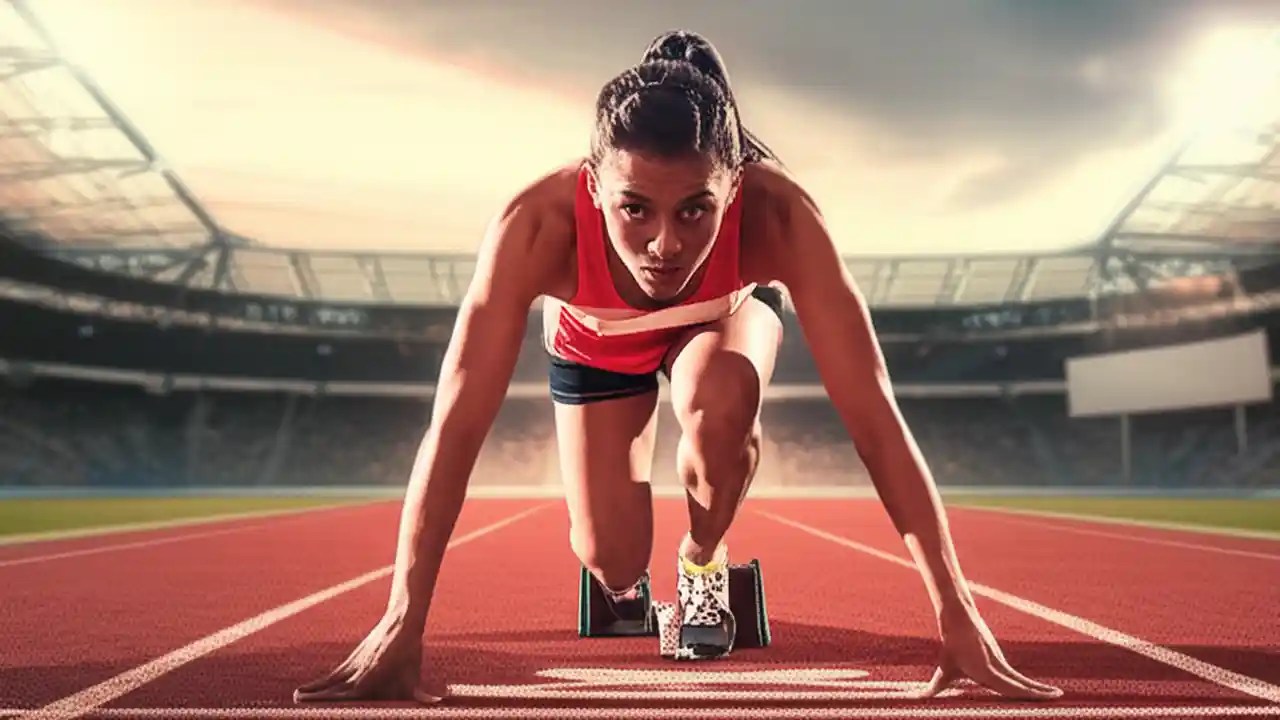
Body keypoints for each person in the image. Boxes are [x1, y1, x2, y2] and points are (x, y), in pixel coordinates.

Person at [295, 29, 1063, 704]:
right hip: (599, 340)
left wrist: (956, 613)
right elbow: (457, 427)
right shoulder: (534, 228)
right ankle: (624, 586)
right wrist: (403, 617)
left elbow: (875, 421)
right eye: (636, 209)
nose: (665, 244)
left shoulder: (780, 218)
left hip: (721, 321)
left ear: (734, 188)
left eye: (695, 208)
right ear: (593, 188)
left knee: (721, 399)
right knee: (609, 552)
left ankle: (703, 566)